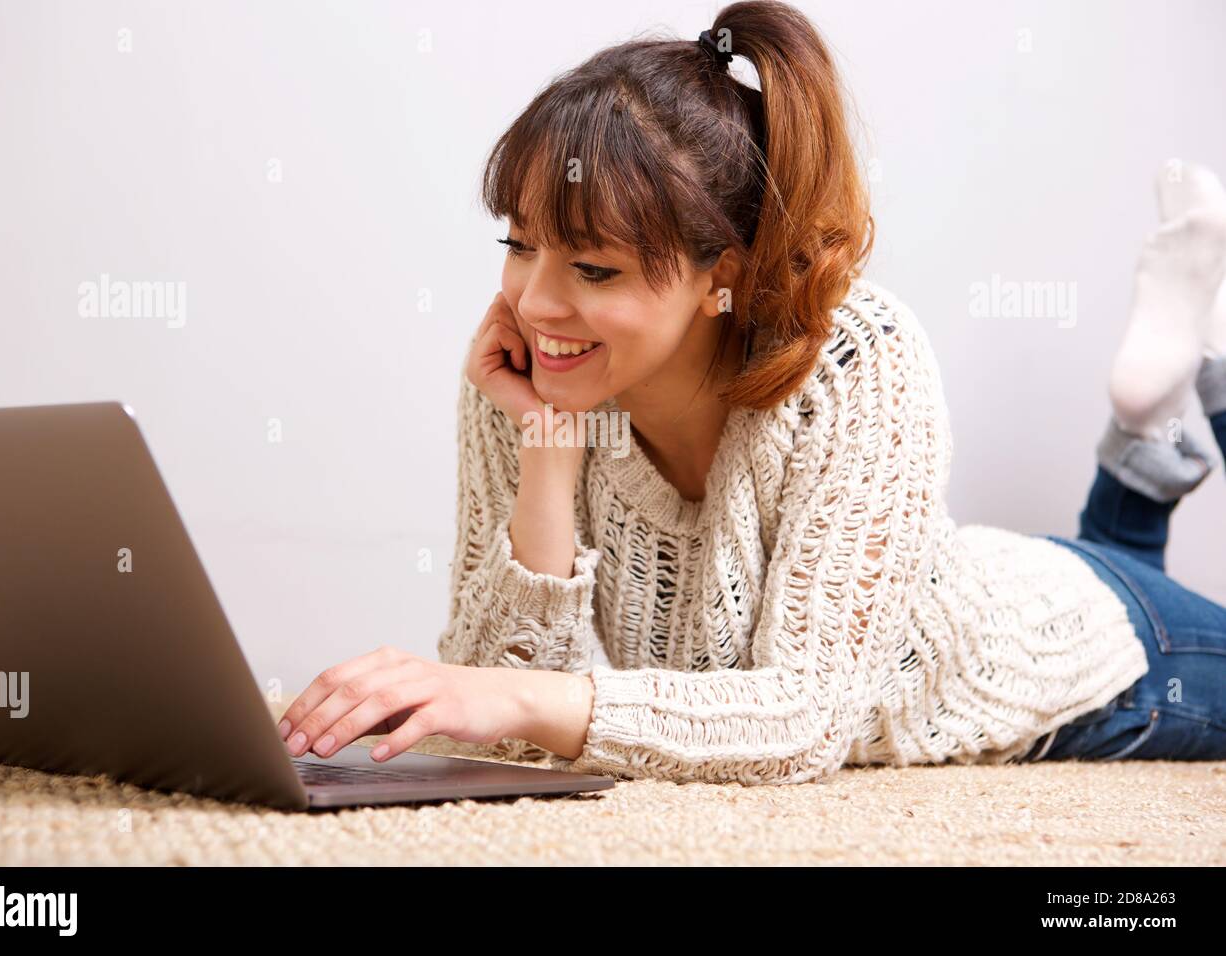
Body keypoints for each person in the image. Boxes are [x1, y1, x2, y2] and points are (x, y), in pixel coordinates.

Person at [277, 1, 1226, 784]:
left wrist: (516, 699)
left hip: (1090, 655)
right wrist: (548, 456)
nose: (534, 300)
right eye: (519, 244)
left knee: (1127, 590)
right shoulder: (527, 375)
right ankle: (1142, 435)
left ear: (720, 273)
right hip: (973, 574)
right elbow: (499, 721)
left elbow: (804, 718)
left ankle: (1170, 414)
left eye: (595, 269)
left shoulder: (858, 358)